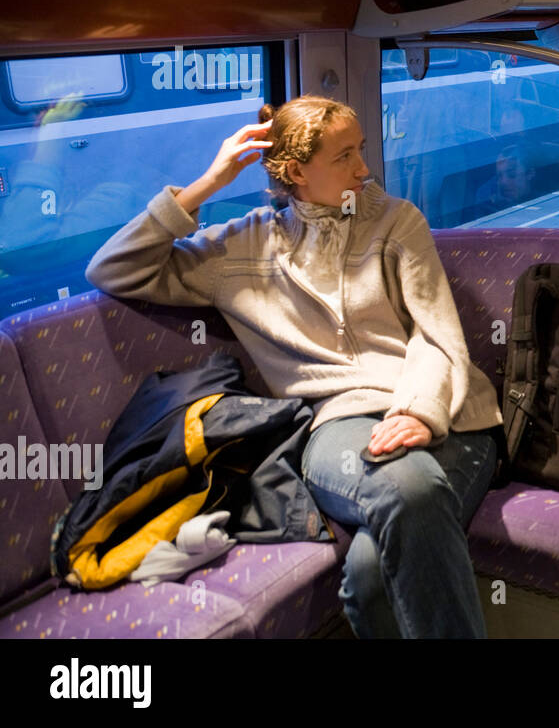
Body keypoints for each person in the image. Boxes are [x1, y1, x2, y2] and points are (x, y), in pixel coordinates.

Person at [84, 96, 502, 639]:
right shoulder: (241, 249)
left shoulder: (397, 223)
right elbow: (112, 269)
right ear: (297, 171)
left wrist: (420, 412)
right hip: (337, 424)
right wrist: (207, 184)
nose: (364, 169)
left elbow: (437, 336)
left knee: (371, 570)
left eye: (362, 151)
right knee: (413, 490)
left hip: (449, 410)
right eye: (345, 156)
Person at [475, 144, 536, 212]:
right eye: (499, 176)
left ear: (530, 173)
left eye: (512, 175)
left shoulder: (546, 200)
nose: (503, 182)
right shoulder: (488, 205)